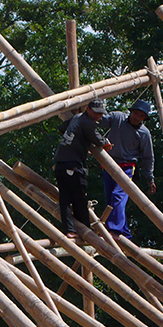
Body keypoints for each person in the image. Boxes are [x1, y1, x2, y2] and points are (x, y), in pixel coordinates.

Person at [54, 98, 112, 238]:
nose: (99, 116)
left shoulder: (77, 118)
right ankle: (85, 230)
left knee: (66, 198)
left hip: (60, 162)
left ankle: (70, 230)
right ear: (88, 109)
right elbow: (98, 139)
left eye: (101, 114)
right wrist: (106, 142)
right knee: (79, 197)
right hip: (72, 164)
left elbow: (62, 128)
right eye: (96, 113)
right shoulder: (87, 123)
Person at [100, 99, 156, 238]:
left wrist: (150, 178)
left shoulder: (144, 133)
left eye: (141, 116)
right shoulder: (117, 117)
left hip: (126, 166)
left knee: (118, 195)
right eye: (136, 113)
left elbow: (148, 157)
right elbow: (99, 120)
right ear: (131, 112)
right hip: (108, 163)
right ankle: (124, 233)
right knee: (110, 199)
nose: (137, 118)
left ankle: (115, 229)